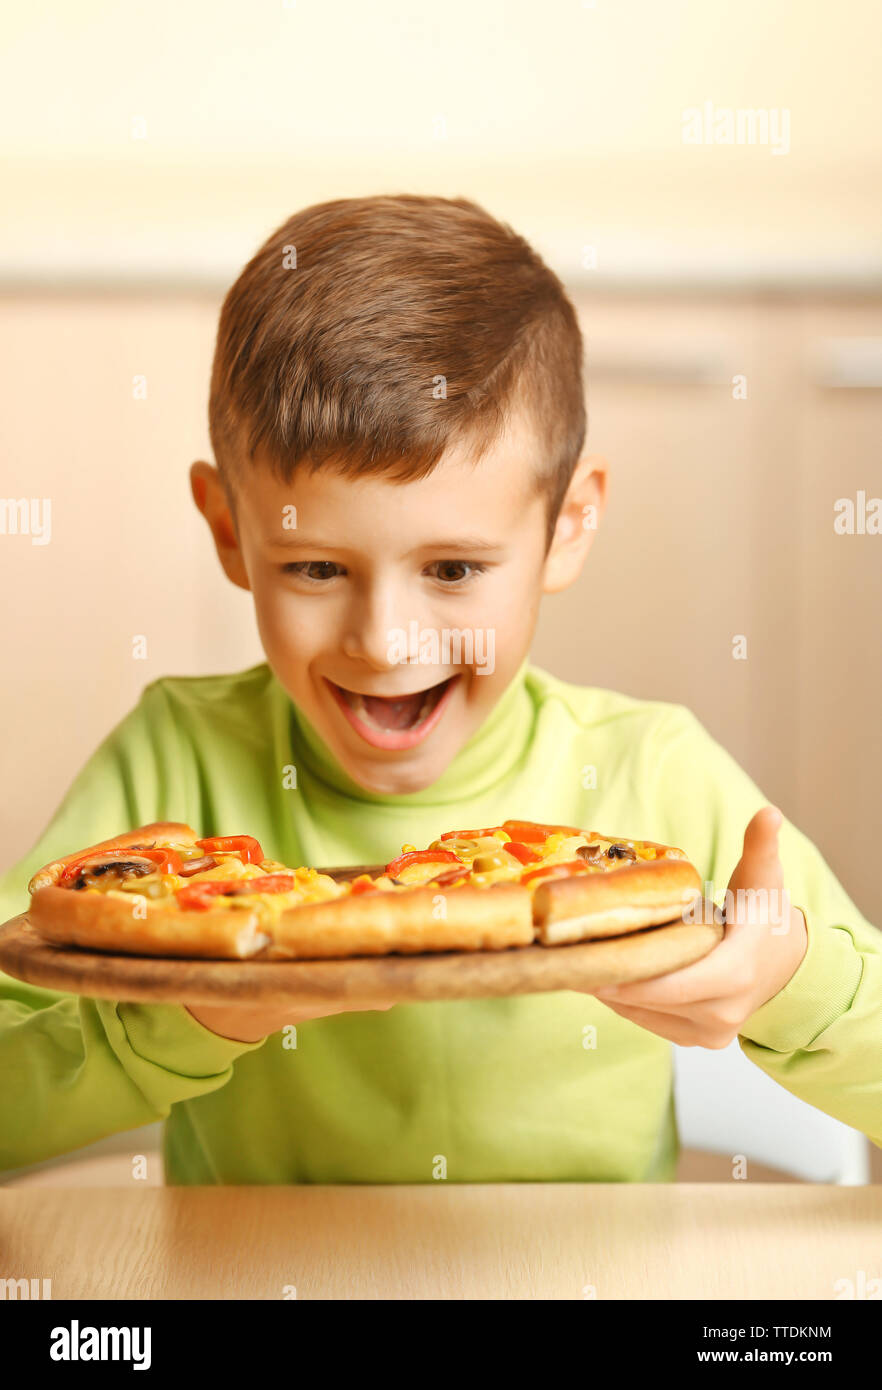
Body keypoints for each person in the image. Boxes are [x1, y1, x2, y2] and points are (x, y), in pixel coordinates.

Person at [1, 195, 878, 1184]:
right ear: (229, 530)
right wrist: (182, 1023)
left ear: (569, 523)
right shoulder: (176, 759)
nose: (385, 642)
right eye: (317, 569)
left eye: (454, 569)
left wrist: (790, 982)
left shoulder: (648, 771)